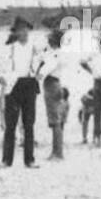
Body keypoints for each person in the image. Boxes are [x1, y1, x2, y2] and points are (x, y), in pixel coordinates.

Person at [0, 16, 41, 168]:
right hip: (13, 87)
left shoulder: (34, 47)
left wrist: (38, 73)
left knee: (29, 124)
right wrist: (3, 77)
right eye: (20, 30)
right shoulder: (10, 48)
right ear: (16, 32)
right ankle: (6, 160)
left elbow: (42, 63)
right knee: (10, 125)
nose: (23, 32)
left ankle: (29, 160)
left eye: (25, 29)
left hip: (29, 85)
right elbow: (2, 67)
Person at [38, 27, 69, 160]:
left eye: (50, 39)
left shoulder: (55, 54)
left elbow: (47, 68)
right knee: (56, 120)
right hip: (55, 84)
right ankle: (57, 151)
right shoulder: (56, 53)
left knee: (54, 120)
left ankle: (57, 152)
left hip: (51, 84)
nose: (48, 40)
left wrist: (36, 77)